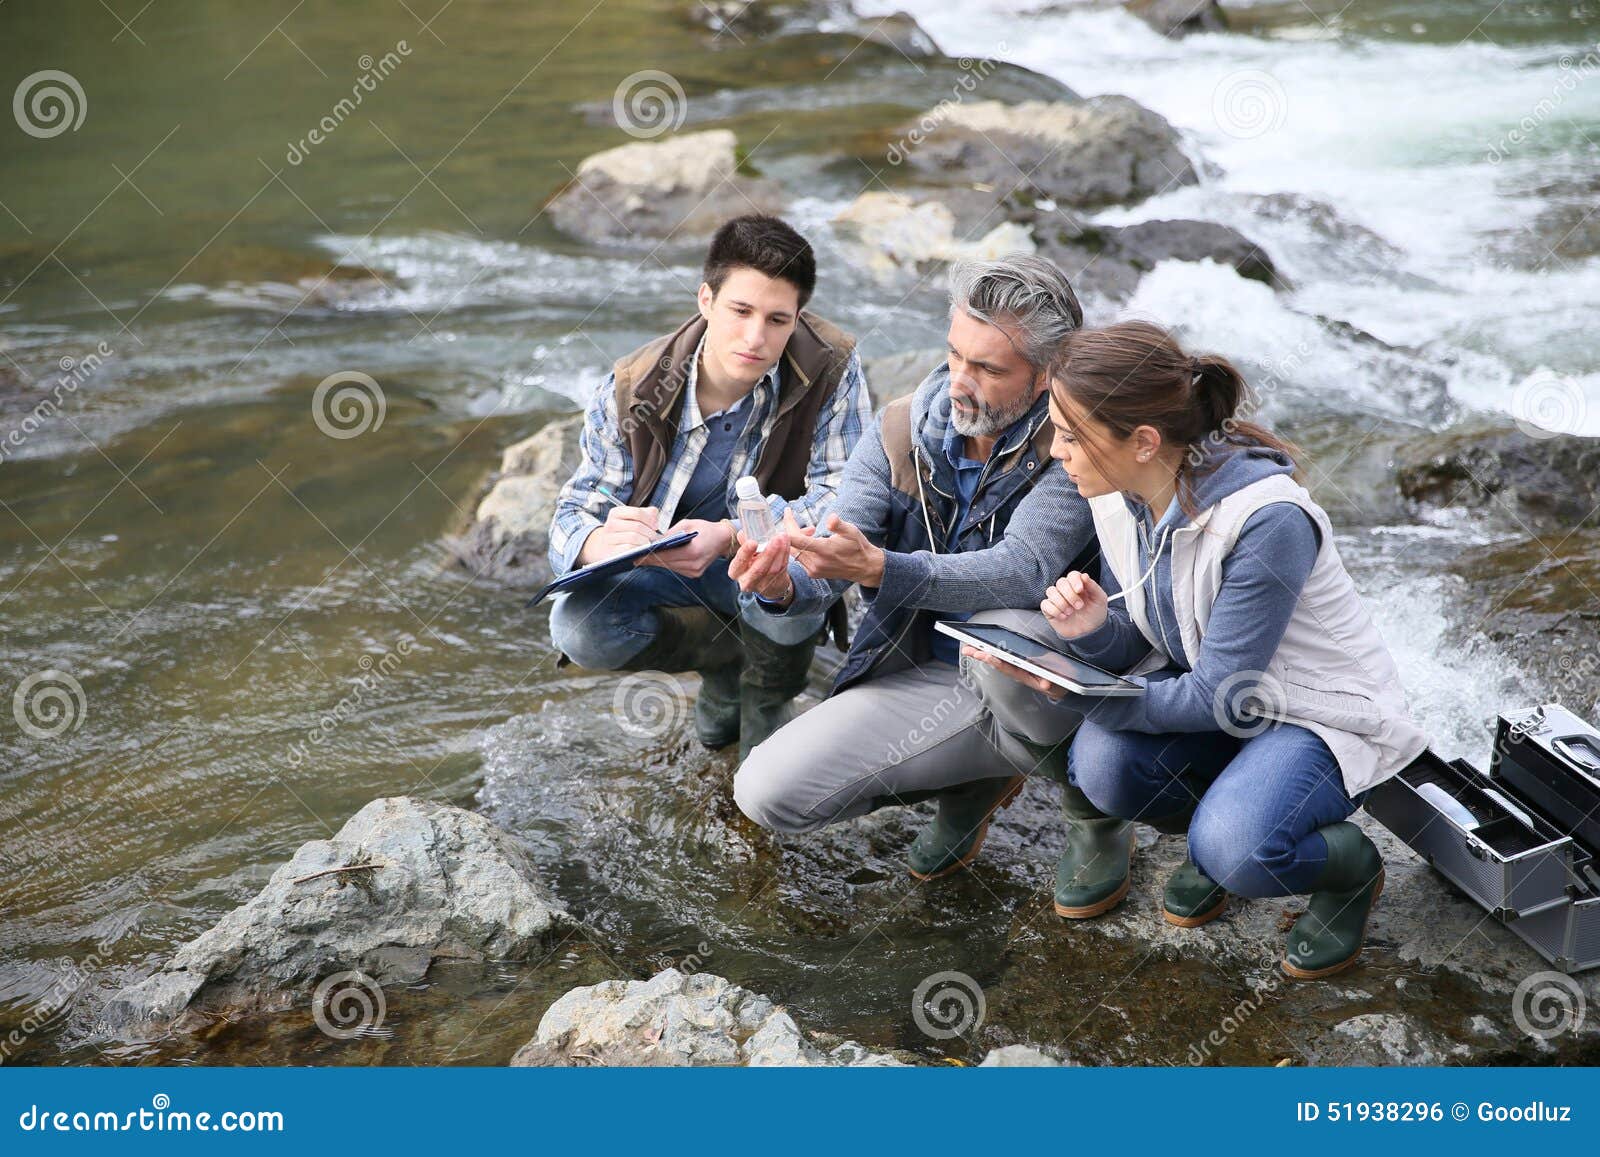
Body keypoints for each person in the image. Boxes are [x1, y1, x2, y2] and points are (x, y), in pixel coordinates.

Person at [964, 320, 1427, 978]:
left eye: (1070, 435)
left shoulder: (1267, 522)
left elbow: (1217, 693)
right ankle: (1217, 838)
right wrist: (1094, 631)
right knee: (1104, 767)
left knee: (1240, 845)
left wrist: (1084, 693)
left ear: (1144, 441)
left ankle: (1347, 868)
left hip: (1311, 716)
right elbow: (1158, 638)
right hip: (1227, 705)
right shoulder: (1123, 492)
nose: (1054, 450)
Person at [728, 255, 1099, 881]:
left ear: (1046, 376)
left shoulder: (1080, 442)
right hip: (926, 676)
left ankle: (1095, 814)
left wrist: (883, 569)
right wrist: (784, 581)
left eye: (987, 368)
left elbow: (1025, 569)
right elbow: (839, 552)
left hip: (1041, 685)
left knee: (1007, 637)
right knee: (766, 792)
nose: (959, 380)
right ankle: (973, 781)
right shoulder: (900, 427)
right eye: (955, 354)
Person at [547, 214, 871, 761]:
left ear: (798, 318)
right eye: (740, 311)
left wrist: (727, 535)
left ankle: (770, 692)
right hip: (671, 571)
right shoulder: (634, 386)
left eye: (777, 319)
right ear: (706, 300)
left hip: (762, 564)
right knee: (577, 624)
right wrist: (598, 543)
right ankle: (724, 665)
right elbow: (576, 509)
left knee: (792, 557)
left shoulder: (831, 368)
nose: (755, 337)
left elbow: (843, 499)